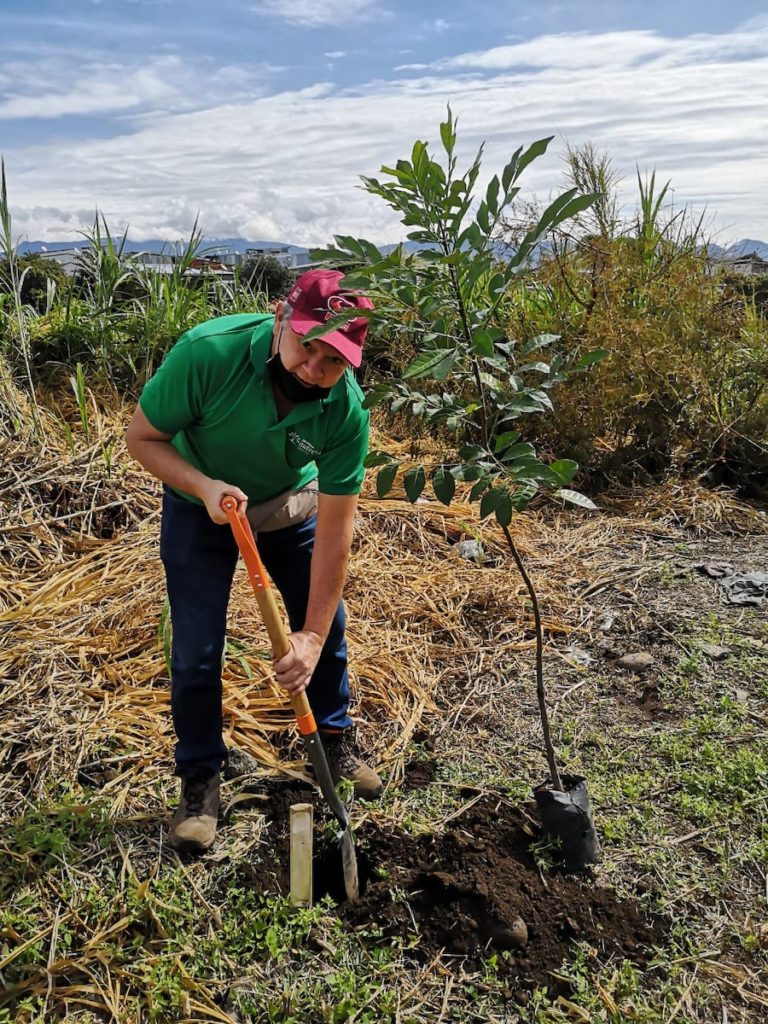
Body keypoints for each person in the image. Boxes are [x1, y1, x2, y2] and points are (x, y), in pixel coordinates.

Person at [125, 268, 382, 854]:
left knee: (329, 626)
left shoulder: (345, 411)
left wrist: (311, 636)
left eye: (333, 361)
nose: (314, 370)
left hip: (289, 504)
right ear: (279, 318)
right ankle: (199, 780)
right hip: (201, 503)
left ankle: (334, 745)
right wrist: (204, 486)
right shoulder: (206, 355)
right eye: (306, 346)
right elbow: (142, 438)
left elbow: (338, 529)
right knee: (196, 649)